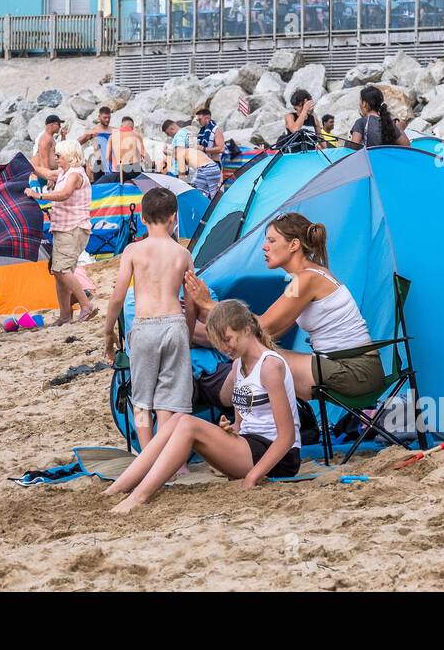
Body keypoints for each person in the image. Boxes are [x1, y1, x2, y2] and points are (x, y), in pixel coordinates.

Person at [104, 298, 300, 514]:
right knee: (179, 419)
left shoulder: (270, 366)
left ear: (246, 330)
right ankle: (118, 488)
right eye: (220, 343)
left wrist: (252, 478)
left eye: (228, 339)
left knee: (187, 424)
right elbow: (241, 424)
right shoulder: (238, 366)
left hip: (278, 459)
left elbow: (287, 437)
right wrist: (230, 429)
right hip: (250, 446)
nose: (225, 348)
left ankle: (140, 496)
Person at [185, 213, 382, 403]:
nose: (264, 247)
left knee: (257, 360)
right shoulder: (308, 276)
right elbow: (268, 332)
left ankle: (256, 428)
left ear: (294, 245)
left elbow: (263, 323)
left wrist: (210, 305)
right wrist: (207, 312)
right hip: (349, 366)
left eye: (271, 241)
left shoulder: (307, 279)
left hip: (355, 370)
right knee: (255, 356)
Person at [102, 187, 196, 449]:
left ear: (142, 218)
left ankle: (146, 457)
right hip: (175, 325)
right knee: (170, 400)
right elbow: (191, 304)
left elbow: (118, 297)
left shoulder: (133, 251)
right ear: (173, 218)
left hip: (145, 327)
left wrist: (109, 332)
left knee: (142, 399)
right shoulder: (183, 254)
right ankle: (170, 462)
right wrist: (186, 335)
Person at [26, 140, 97, 325]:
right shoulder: (64, 172)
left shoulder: (75, 175)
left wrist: (39, 195)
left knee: (61, 270)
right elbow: (47, 173)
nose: (55, 158)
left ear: (69, 155)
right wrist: (30, 166)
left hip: (72, 228)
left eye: (58, 155)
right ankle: (65, 314)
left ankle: (86, 304)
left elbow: (65, 194)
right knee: (59, 273)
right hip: (64, 228)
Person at [33, 115, 63, 188]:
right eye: (58, 124)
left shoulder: (50, 138)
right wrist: (49, 177)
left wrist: (63, 136)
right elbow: (44, 159)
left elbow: (62, 150)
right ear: (51, 125)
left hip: (50, 173)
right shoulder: (45, 138)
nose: (60, 127)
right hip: (47, 175)